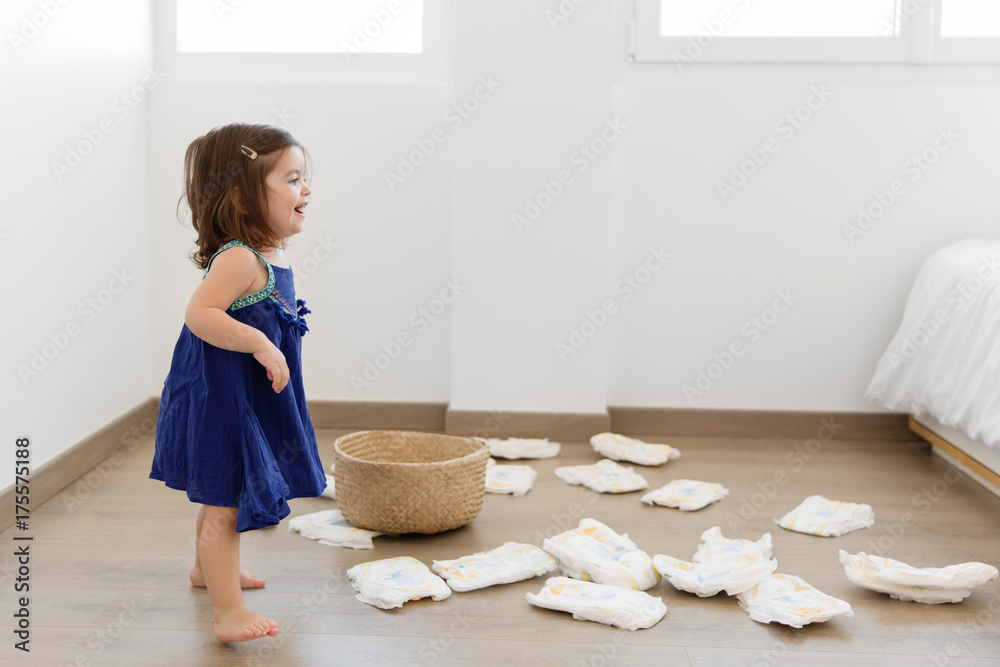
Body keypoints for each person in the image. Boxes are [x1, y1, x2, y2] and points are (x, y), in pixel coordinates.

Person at [149, 122, 326, 642]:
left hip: (243, 394)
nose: (306, 190)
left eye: (303, 178)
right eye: (292, 180)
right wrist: (261, 344)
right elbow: (200, 314)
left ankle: (209, 572)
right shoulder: (239, 258)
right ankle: (226, 612)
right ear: (241, 197)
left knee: (223, 487)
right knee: (226, 499)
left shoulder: (268, 253)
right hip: (221, 395)